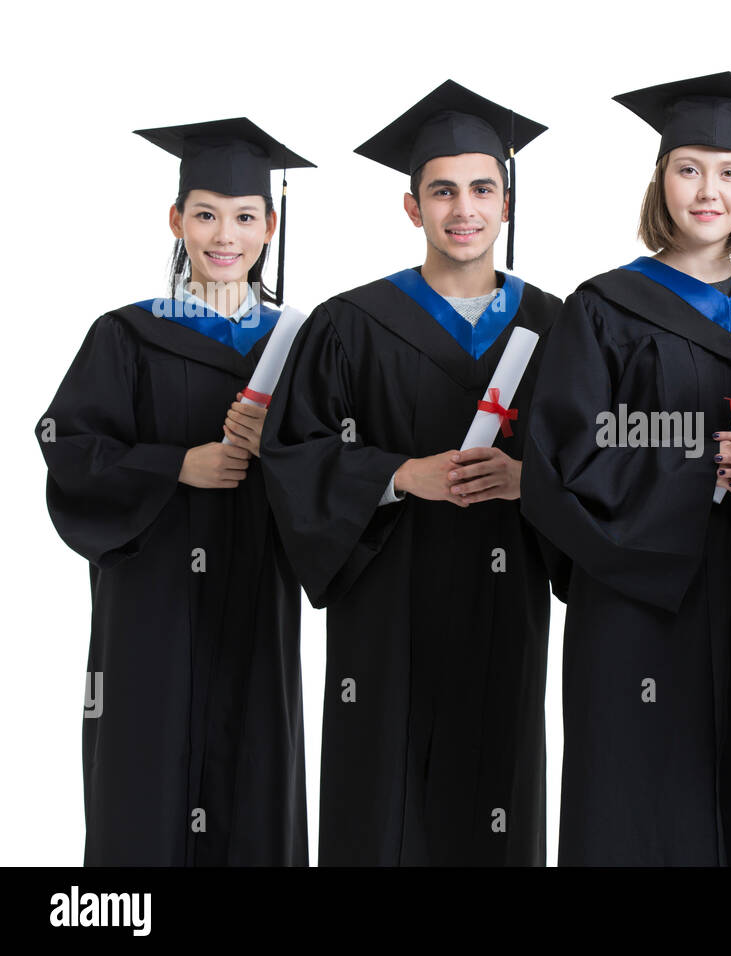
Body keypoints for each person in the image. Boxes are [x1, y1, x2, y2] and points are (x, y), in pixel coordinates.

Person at [260, 81, 564, 865]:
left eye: (482, 190)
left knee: (499, 784)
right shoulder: (349, 323)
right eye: (442, 191)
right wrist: (400, 474)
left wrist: (530, 480)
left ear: (507, 204)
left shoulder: (558, 324)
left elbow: (595, 458)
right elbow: (295, 454)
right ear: (412, 207)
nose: (463, 210)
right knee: (380, 798)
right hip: (385, 610)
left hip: (507, 601)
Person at [521, 72, 731, 865]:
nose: (709, 191)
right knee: (636, 794)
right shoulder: (603, 308)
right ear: (661, 180)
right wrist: (698, 473)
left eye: (730, 172)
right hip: (637, 597)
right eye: (689, 169)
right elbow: (560, 459)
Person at [35, 118, 314, 865]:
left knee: (253, 758)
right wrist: (174, 465)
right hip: (152, 598)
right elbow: (68, 446)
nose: (226, 235)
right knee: (145, 762)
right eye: (206, 214)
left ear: (270, 225)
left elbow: (333, 466)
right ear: (176, 219)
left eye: (245, 216)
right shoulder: (126, 335)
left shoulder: (299, 343)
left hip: (257, 593)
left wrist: (278, 454)